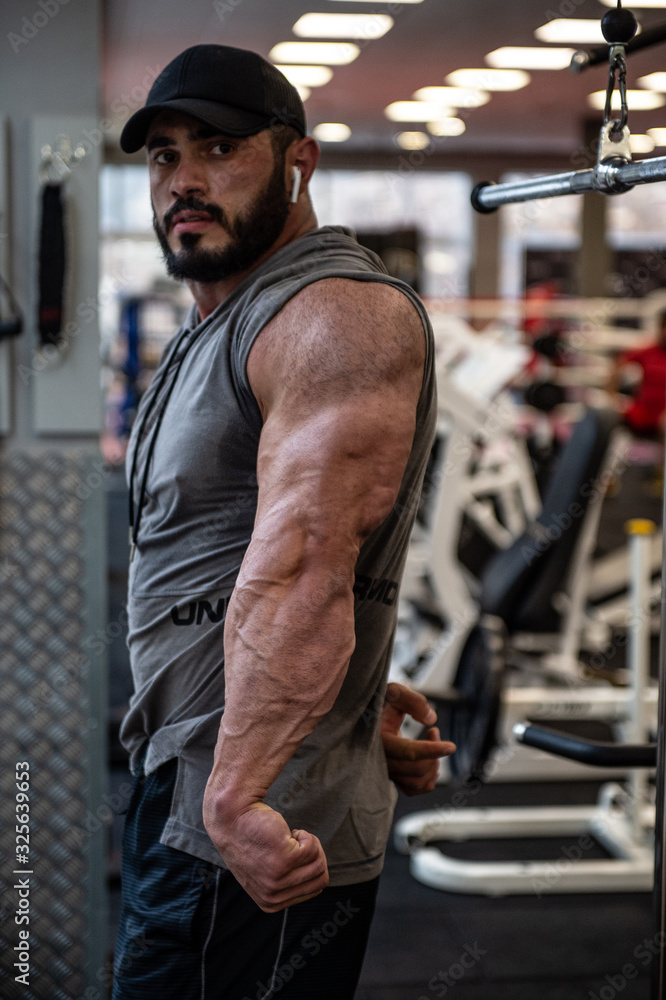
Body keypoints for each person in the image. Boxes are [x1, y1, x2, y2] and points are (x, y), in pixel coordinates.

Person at [112, 44, 455, 1000]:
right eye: (165, 155)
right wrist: (345, 702)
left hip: (249, 815)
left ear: (298, 162)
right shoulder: (221, 320)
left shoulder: (331, 314)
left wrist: (235, 796)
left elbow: (307, 568)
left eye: (220, 149)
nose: (185, 180)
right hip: (198, 782)